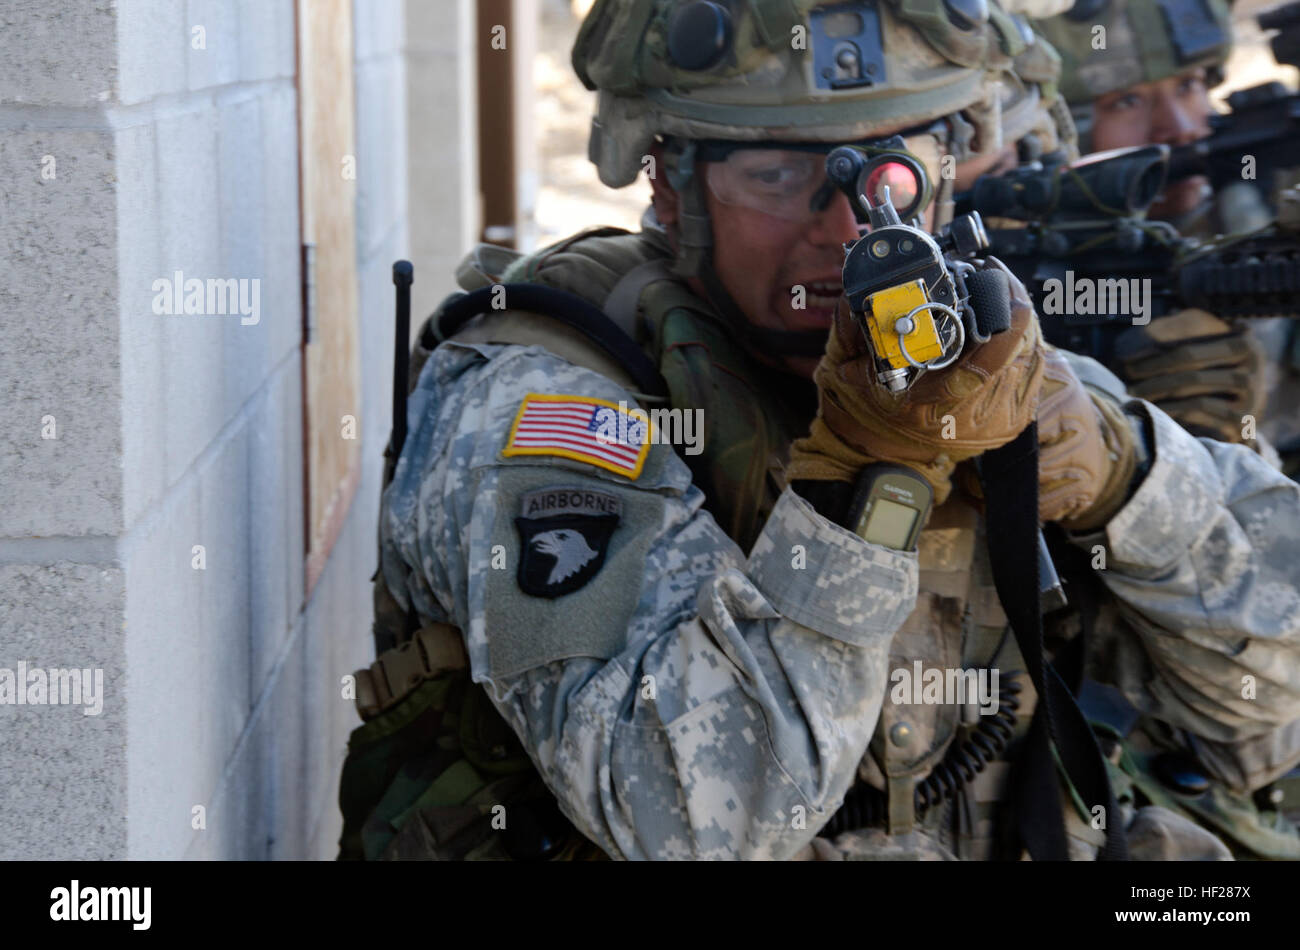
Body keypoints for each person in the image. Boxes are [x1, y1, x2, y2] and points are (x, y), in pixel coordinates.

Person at [339, 0, 1300, 861]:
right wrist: (868, 485)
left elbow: (1265, 729)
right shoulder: (551, 400)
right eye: (774, 175)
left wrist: (1130, 479)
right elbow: (690, 820)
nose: (849, 232)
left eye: (898, 171)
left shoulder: (984, 362)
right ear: (670, 188)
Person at [1033, 0, 1300, 469]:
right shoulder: (1030, 271)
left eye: (1189, 85)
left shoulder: (1269, 202)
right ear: (1064, 130)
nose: (1175, 128)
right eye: (1126, 101)